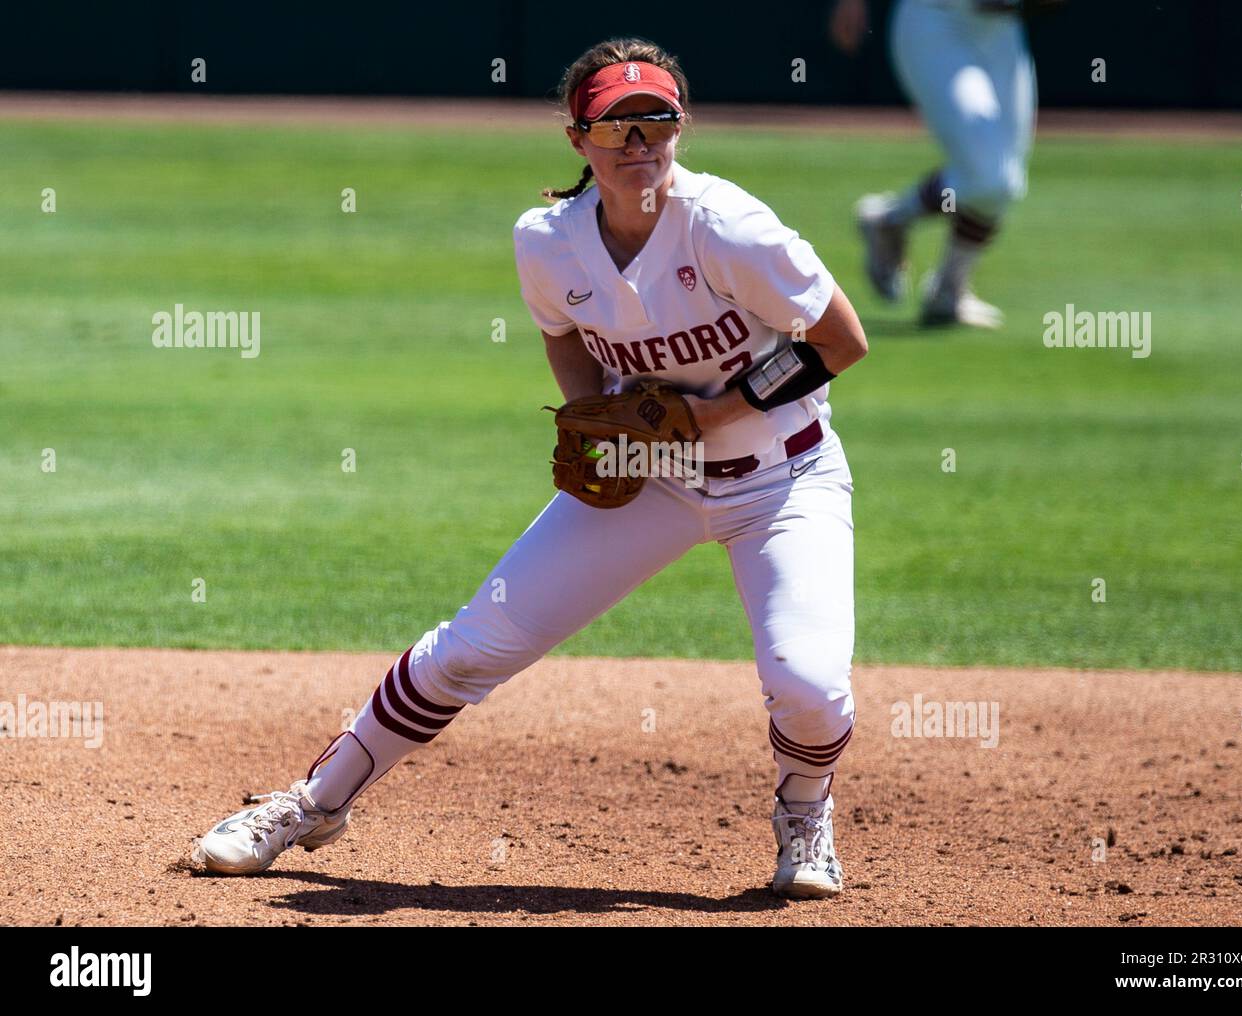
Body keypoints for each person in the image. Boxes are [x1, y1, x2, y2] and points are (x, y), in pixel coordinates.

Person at [194, 37, 869, 900]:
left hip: (784, 478)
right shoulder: (547, 242)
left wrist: (708, 415)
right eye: (616, 125)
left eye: (656, 120)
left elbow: (841, 340)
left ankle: (805, 811)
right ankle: (311, 804)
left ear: (680, 127)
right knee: (469, 649)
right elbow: (563, 337)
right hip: (652, 475)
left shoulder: (729, 226)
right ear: (577, 139)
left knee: (807, 687)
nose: (639, 142)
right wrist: (596, 425)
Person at [832, 0, 1039, 327]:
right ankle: (894, 220)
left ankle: (947, 289)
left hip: (1002, 29)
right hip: (935, 21)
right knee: (991, 176)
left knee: (1006, 178)